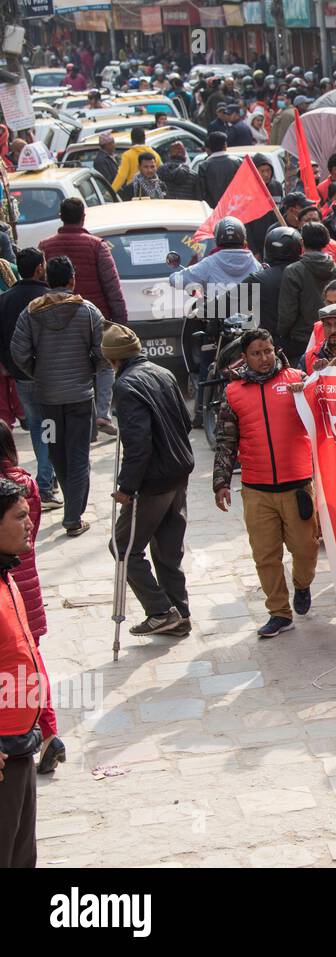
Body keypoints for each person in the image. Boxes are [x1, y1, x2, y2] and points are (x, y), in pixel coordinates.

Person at [213, 329, 317, 638]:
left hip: (298, 483)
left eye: (268, 351)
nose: (264, 358)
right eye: (257, 353)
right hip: (257, 489)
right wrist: (220, 481)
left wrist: (312, 388)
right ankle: (279, 612)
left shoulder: (298, 381)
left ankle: (302, 584)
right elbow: (225, 441)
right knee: (265, 555)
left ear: (276, 350)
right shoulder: (233, 393)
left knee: (306, 550)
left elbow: (323, 414)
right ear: (244, 357)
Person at [103, 323, 195, 639]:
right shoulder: (163, 372)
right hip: (179, 472)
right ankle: (180, 615)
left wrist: (127, 488)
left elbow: (138, 443)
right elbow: (186, 421)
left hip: (154, 481)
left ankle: (159, 611)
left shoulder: (126, 386)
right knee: (168, 551)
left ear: (112, 360)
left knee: (122, 547)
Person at [10, 256, 105, 537]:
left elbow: (19, 352)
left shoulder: (30, 313)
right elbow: (103, 352)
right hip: (79, 399)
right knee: (78, 455)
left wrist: (38, 372)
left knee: (56, 451)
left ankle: (72, 510)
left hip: (47, 401)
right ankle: (73, 516)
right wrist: (89, 370)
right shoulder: (89, 312)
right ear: (72, 279)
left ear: (47, 280)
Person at [37, 196, 126, 438]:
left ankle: (87, 422)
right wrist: (120, 320)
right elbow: (112, 286)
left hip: (54, 315)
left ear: (61, 217)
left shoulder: (45, 246)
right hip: (96, 315)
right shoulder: (97, 246)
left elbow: (40, 284)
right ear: (83, 217)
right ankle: (102, 414)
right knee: (104, 364)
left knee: (78, 367)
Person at [0, 423, 59, 773]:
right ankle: (49, 732)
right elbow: (31, 532)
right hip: (28, 583)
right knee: (32, 662)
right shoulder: (28, 484)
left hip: (14, 587)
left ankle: (30, 733)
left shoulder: (9, 493)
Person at [0, 475, 46, 867]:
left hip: (20, 741)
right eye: (19, 516)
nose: (30, 522)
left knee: (21, 854)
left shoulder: (8, 577)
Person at [0, 249, 57, 510]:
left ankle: (48, 477)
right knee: (49, 428)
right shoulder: (49, 298)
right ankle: (46, 483)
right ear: (38, 269)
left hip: (21, 375)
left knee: (38, 426)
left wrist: (10, 366)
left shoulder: (6, 300)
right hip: (46, 377)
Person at [278, 222, 336, 365]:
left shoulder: (293, 271)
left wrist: (281, 334)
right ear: (327, 242)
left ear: (302, 242)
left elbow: (287, 311)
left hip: (300, 340)